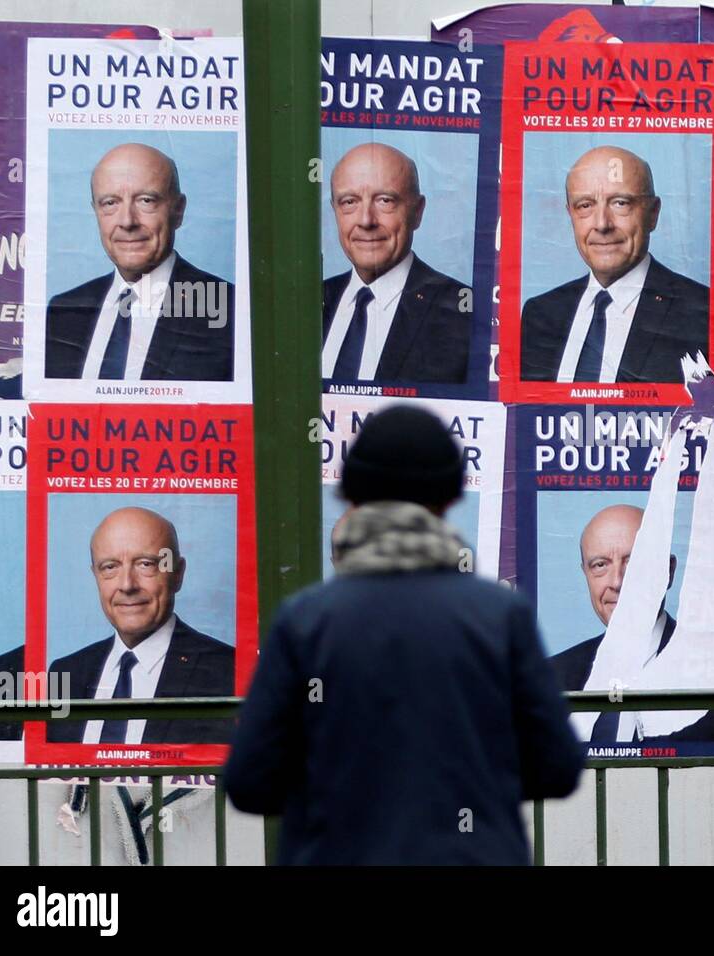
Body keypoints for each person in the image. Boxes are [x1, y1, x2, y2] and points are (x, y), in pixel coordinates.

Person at [226, 405, 583, 864]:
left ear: (352, 497)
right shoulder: (499, 616)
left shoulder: (306, 621)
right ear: (451, 498)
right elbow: (557, 767)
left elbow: (251, 781)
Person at [44, 143, 235, 382]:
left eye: (146, 201)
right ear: (95, 211)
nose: (127, 221)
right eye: (110, 203)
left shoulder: (230, 309)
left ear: (178, 210)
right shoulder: (63, 312)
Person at [520, 145, 709, 384]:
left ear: (653, 213)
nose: (601, 224)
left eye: (620, 203)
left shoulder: (703, 314)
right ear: (570, 214)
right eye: (585, 205)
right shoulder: (539, 314)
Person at [47, 507, 235, 745]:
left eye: (146, 564)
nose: (127, 585)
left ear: (177, 574)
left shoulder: (230, 672)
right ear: (95, 575)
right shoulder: (65, 673)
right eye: (110, 567)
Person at [322, 143, 471, 384]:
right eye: (349, 202)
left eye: (385, 200)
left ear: (418, 212)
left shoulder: (464, 318)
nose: (366, 220)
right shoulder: (304, 304)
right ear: (334, 210)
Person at [550, 505, 679, 691]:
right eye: (600, 565)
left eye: (635, 562)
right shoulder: (552, 679)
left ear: (668, 571)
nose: (618, 582)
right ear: (586, 573)